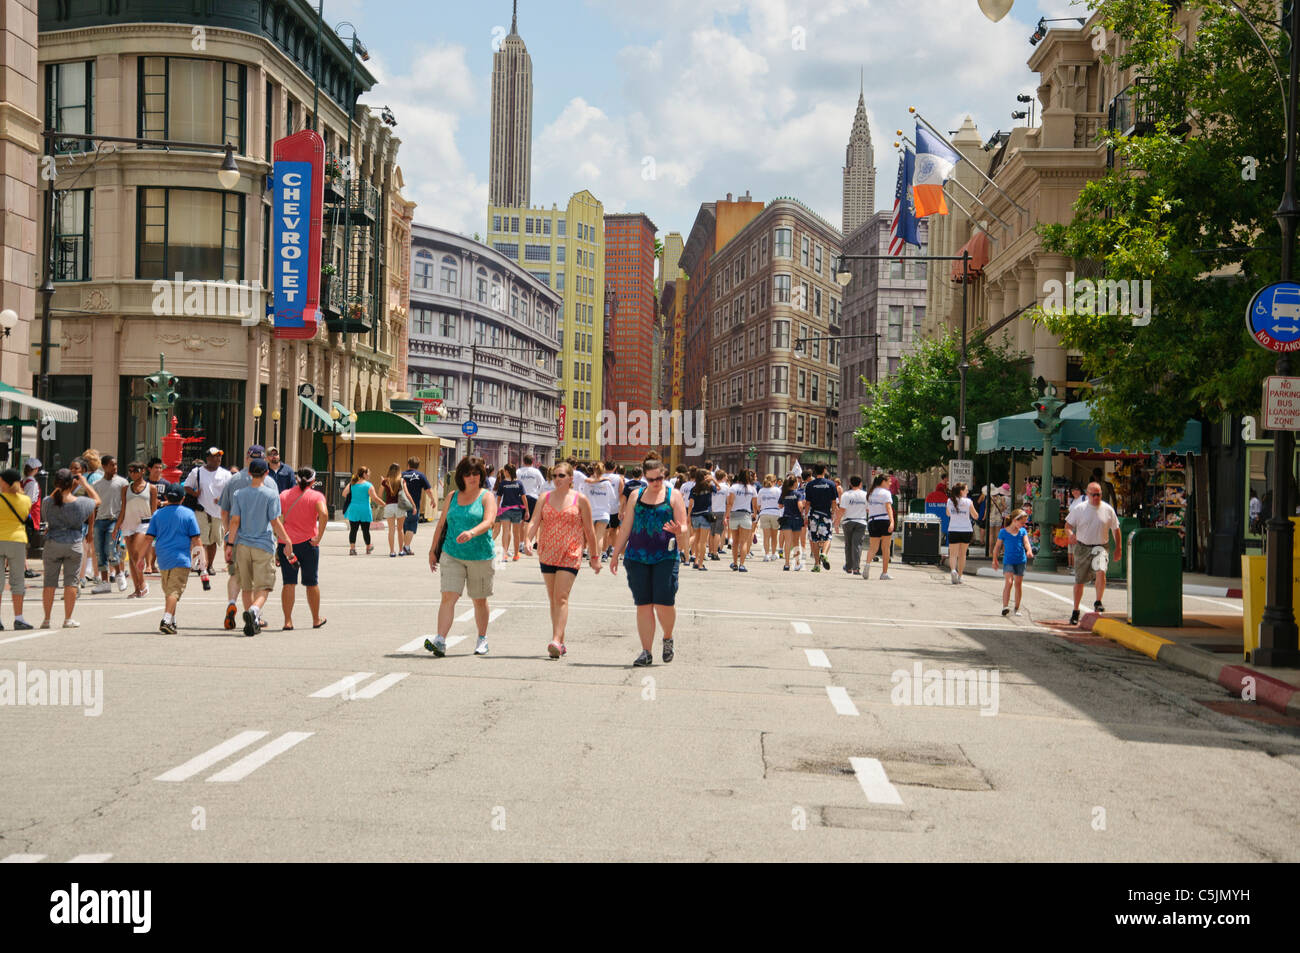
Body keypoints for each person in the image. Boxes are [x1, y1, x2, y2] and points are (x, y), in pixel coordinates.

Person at [610, 456, 689, 667]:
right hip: (637, 556)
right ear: (645, 477)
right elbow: (626, 527)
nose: (656, 483)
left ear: (664, 475)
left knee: (664, 603)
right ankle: (646, 651)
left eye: (660, 478)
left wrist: (677, 530)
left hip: (665, 556)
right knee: (643, 604)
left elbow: (684, 526)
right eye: (652, 479)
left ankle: (668, 637)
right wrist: (616, 553)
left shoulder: (674, 495)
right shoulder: (637, 495)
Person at [525, 461, 601, 658]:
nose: (557, 479)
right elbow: (534, 521)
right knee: (553, 599)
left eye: (562, 476)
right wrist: (527, 540)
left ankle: (556, 641)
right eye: (555, 476)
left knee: (561, 597)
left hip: (571, 552)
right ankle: (560, 640)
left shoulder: (580, 500)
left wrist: (594, 557)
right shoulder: (544, 497)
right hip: (547, 551)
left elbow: (590, 532)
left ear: (570, 478)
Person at [426, 456, 498, 657]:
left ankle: (482, 638)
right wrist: (433, 551)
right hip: (452, 553)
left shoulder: (486, 496)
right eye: (468, 474)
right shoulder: (452, 496)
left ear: (481, 475)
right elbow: (441, 525)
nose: (472, 477)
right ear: (461, 476)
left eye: (476, 473)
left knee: (479, 600)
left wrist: (472, 532)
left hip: (480, 555)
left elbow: (490, 521)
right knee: (448, 596)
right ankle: (440, 640)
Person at [226, 456, 295, 636]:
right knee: (264, 586)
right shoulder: (271, 494)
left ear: (249, 473)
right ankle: (254, 611)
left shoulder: (239, 494)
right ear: (266, 473)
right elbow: (274, 521)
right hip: (263, 545)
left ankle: (252, 621)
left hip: (241, 545)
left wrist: (229, 544)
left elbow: (234, 521)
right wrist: (286, 539)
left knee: (246, 586)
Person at [41, 469, 99, 628]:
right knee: (71, 583)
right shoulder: (81, 502)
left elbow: (50, 500)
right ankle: (67, 618)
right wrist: (84, 484)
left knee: (49, 582)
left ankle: (46, 619)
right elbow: (97, 500)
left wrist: (61, 487)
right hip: (73, 542)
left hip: (53, 541)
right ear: (70, 483)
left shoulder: (48, 501)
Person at [217, 446, 265, 630]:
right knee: (256, 579)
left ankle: (231, 602)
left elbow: (224, 511)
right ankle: (254, 613)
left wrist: (228, 532)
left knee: (236, 575)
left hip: (237, 537)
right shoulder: (269, 483)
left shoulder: (233, 480)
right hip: (261, 538)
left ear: (247, 459)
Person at [277, 468, 329, 630]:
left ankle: (288, 621)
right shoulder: (316, 496)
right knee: (311, 582)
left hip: (286, 544)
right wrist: (319, 536)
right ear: (313, 481)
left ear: (296, 479)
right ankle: (315, 619)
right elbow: (324, 514)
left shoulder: (284, 495)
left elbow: (277, 519)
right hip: (309, 544)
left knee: (288, 583)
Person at [147, 483, 201, 634]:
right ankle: (166, 619)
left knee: (169, 591)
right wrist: (200, 558)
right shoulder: (188, 514)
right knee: (175, 591)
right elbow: (196, 538)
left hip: (163, 558)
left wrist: (140, 558)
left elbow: (149, 537)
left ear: (165, 497)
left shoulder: (158, 514)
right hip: (181, 558)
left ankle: (172, 620)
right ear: (183, 498)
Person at [1066, 481, 1122, 625]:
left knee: (1101, 571)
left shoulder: (1108, 509)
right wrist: (1070, 534)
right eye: (1093, 495)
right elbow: (1068, 525)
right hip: (1083, 546)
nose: (1096, 497)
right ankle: (1076, 610)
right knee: (1080, 580)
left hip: (1101, 546)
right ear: (1088, 494)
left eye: (1099, 494)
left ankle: (1098, 601)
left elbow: (1116, 529)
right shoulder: (1079, 509)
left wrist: (1118, 548)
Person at [184, 448, 232, 592]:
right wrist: (195, 493)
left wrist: (223, 499)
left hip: (218, 512)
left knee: (213, 541)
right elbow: (186, 486)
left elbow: (229, 490)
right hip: (201, 510)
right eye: (214, 457)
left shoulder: (226, 474)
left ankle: (210, 565)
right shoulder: (197, 472)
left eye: (219, 457)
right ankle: (201, 565)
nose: (218, 459)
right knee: (201, 540)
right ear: (207, 458)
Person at [115, 462, 158, 598]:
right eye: (130, 470)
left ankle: (143, 584)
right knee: (132, 559)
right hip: (128, 523)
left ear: (143, 471)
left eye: (136, 470)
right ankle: (137, 588)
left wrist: (156, 527)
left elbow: (154, 510)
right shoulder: (125, 488)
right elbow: (123, 509)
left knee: (136, 555)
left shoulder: (151, 488)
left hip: (144, 523)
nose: (132, 473)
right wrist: (117, 527)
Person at [0, 469, 34, 629]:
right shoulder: (25, 500)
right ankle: (19, 618)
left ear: (5, 482)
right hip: (17, 540)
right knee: (17, 580)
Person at [90, 455, 128, 594]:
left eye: (116, 464)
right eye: (112, 465)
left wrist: (119, 523)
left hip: (114, 520)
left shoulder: (122, 483)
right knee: (100, 552)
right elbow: (93, 507)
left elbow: (124, 504)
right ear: (104, 466)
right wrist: (91, 526)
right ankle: (104, 582)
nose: (115, 467)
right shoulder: (97, 485)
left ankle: (119, 574)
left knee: (111, 549)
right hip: (100, 521)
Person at [993, 508, 1033, 616]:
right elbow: (997, 547)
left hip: (1020, 560)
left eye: (1025, 523)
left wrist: (1029, 550)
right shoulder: (1003, 532)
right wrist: (994, 559)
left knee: (1018, 584)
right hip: (1008, 561)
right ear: (1015, 520)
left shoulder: (1022, 531)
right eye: (1022, 522)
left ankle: (1017, 608)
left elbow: (1026, 543)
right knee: (1009, 582)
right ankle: (1005, 607)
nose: (1023, 525)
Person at [803, 463, 839, 573]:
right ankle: (824, 553)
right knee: (827, 536)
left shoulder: (810, 485)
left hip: (813, 514)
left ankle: (817, 564)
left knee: (814, 539)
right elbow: (834, 502)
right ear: (824, 470)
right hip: (826, 514)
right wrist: (833, 513)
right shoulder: (831, 484)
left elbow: (807, 503)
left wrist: (805, 515)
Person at [579, 463, 618, 563]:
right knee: (599, 536)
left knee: (590, 535)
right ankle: (596, 559)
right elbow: (613, 497)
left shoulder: (588, 483)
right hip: (603, 513)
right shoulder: (607, 483)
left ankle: (589, 553)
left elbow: (583, 496)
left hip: (590, 512)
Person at [493, 463, 529, 563]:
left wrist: (497, 509)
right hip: (517, 510)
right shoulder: (519, 483)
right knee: (516, 533)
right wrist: (527, 510)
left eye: (504, 471)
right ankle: (516, 554)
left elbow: (499, 498)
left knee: (506, 531)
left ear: (507, 472)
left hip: (505, 510)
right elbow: (523, 497)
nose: (504, 472)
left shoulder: (503, 484)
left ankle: (504, 554)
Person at [343, 465, 383, 555]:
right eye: (368, 474)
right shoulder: (368, 485)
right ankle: (368, 547)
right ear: (364, 474)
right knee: (365, 530)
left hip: (353, 509)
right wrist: (384, 504)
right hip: (364, 510)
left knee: (353, 530)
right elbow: (375, 498)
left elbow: (344, 493)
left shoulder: (352, 484)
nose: (369, 476)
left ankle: (352, 549)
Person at [725, 469, 760, 571]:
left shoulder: (733, 487)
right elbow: (754, 504)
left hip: (734, 515)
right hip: (746, 515)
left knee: (735, 542)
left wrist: (727, 516)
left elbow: (730, 503)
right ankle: (742, 564)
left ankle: (735, 563)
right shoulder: (752, 488)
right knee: (743, 542)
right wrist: (754, 514)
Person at [864, 474, 895, 580]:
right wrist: (892, 522)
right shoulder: (886, 493)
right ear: (883, 482)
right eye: (889, 481)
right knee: (885, 548)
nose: (890, 484)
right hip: (884, 520)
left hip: (872, 521)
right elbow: (888, 508)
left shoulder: (870, 493)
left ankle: (867, 565)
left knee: (873, 547)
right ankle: (884, 573)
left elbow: (868, 509)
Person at [380, 463, 415, 557]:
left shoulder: (385, 481)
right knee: (400, 529)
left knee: (391, 530)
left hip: (389, 506)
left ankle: (392, 551)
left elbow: (379, 495)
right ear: (399, 471)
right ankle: (400, 551)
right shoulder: (402, 481)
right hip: (400, 507)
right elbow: (407, 494)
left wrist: (383, 504)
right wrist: (414, 506)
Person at [400, 457, 433, 556]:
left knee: (403, 525)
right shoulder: (421, 476)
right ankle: (406, 547)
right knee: (411, 525)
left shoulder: (402, 475)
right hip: (414, 505)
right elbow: (428, 490)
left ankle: (404, 547)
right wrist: (432, 500)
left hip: (401, 504)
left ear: (408, 464)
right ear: (418, 466)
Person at [946, 482, 975, 584]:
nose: (967, 491)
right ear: (961, 491)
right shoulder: (968, 502)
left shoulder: (950, 501)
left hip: (953, 529)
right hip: (966, 530)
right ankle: (960, 576)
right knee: (962, 555)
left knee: (953, 554)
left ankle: (953, 570)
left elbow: (948, 513)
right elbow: (975, 515)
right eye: (966, 490)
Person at [840, 476, 869, 574]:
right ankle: (856, 568)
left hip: (848, 521)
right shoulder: (865, 495)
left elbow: (842, 509)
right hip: (861, 522)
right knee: (857, 545)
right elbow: (868, 509)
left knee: (848, 545)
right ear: (860, 483)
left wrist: (836, 522)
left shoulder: (846, 495)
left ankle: (848, 567)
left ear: (850, 483)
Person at [516, 454, 545, 554]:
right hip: (533, 497)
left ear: (523, 461)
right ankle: (526, 543)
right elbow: (542, 484)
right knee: (529, 522)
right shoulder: (536, 472)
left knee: (520, 521)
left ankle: (520, 543)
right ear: (532, 462)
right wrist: (538, 493)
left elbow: (515, 483)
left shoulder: (518, 471)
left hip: (520, 497)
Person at [687, 469, 716, 570]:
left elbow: (690, 504)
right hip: (705, 515)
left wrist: (688, 516)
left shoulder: (694, 489)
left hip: (695, 515)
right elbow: (719, 488)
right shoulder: (709, 487)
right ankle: (700, 564)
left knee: (697, 539)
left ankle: (695, 560)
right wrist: (713, 479)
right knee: (703, 542)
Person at [778, 476, 805, 571]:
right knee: (796, 542)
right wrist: (803, 507)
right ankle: (797, 563)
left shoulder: (783, 494)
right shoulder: (798, 494)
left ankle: (786, 564)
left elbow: (780, 506)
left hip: (786, 518)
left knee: (787, 542)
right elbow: (800, 506)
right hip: (797, 519)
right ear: (794, 484)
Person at [599, 461, 624, 559]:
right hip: (615, 508)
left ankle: (604, 552)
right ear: (614, 468)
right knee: (615, 530)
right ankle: (613, 549)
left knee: (605, 531)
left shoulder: (600, 477)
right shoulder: (618, 478)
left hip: (603, 507)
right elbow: (621, 494)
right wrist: (621, 508)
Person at [757, 474, 783, 562]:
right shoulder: (778, 490)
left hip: (764, 513)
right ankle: (773, 554)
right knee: (774, 536)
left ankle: (766, 554)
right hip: (775, 513)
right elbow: (781, 504)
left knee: (766, 536)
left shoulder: (761, 491)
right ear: (774, 482)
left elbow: (758, 505)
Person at [709, 469, 730, 561]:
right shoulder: (726, 487)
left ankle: (710, 551)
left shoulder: (712, 486)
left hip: (712, 510)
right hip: (721, 511)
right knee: (718, 532)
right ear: (723, 477)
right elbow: (728, 502)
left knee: (711, 532)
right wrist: (727, 515)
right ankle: (715, 552)